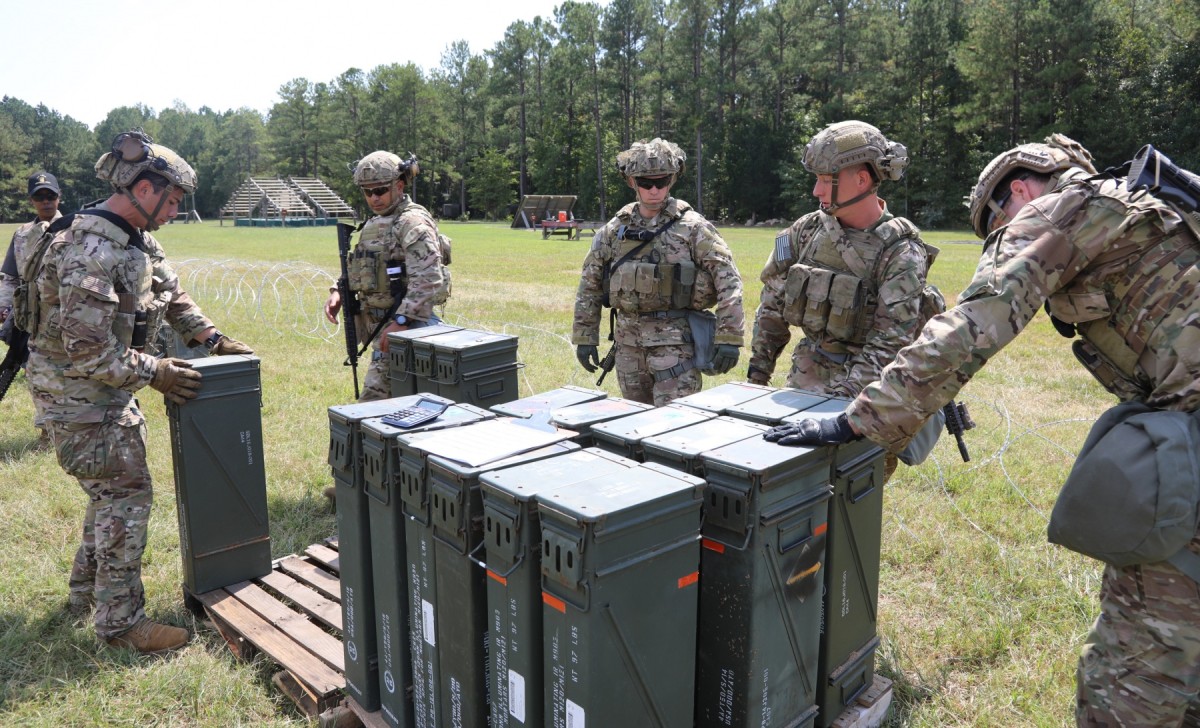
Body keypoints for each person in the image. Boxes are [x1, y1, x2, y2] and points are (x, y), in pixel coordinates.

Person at [768, 133, 1200, 725]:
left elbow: (971, 326)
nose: (1002, 242)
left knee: (1134, 681)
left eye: (997, 228)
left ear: (1017, 192)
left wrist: (859, 419)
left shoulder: (1059, 211)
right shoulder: (1163, 210)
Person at [24, 130, 252, 654]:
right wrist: (159, 372)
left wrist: (212, 339)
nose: (174, 211)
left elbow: (170, 294)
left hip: (102, 394)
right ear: (144, 190)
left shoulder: (135, 239)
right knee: (125, 497)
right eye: (171, 200)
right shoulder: (91, 250)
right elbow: (90, 353)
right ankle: (121, 624)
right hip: (80, 401)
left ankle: (86, 593)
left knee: (107, 494)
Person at [748, 121, 938, 477]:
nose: (816, 188)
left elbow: (890, 343)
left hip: (867, 398)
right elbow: (772, 304)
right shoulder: (804, 231)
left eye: (825, 178)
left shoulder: (900, 250)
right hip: (805, 381)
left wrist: (840, 413)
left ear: (861, 180)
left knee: (853, 501)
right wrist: (756, 377)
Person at [572, 138, 744, 406]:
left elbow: (728, 280)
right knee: (634, 422)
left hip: (676, 347)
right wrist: (585, 336)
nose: (654, 190)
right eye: (645, 182)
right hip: (628, 346)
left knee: (675, 428)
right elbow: (590, 283)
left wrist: (729, 336)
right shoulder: (615, 230)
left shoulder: (692, 227)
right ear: (631, 182)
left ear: (672, 180)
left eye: (661, 182)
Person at [323, 151, 450, 402]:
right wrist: (338, 291)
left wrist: (401, 321)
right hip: (383, 327)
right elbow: (363, 265)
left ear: (399, 185)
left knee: (371, 408)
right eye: (367, 192)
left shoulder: (411, 222)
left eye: (379, 190)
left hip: (407, 327)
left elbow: (429, 277)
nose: (373, 198)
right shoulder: (377, 223)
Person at [1, 171, 64, 449]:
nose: (46, 201)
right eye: (40, 197)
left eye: (50, 195)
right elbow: (10, 277)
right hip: (31, 317)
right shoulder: (22, 234)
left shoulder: (75, 228)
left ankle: (73, 428)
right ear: (31, 201)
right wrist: (3, 309)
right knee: (36, 372)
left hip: (66, 313)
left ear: (59, 196)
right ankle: (47, 431)